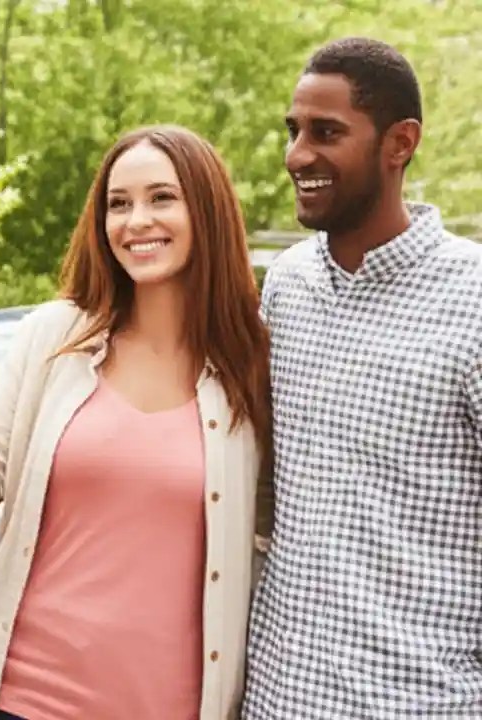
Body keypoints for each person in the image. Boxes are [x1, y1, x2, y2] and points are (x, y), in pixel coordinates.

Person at [0, 125, 273, 720]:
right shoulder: (55, 337)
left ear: (206, 211)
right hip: (22, 700)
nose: (136, 221)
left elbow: (274, 541)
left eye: (162, 198)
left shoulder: (250, 370)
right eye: (118, 203)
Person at [243, 37, 482, 718]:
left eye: (326, 133)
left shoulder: (474, 298)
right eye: (294, 131)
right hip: (278, 700)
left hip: (421, 704)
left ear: (399, 143)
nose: (296, 156)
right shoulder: (286, 286)